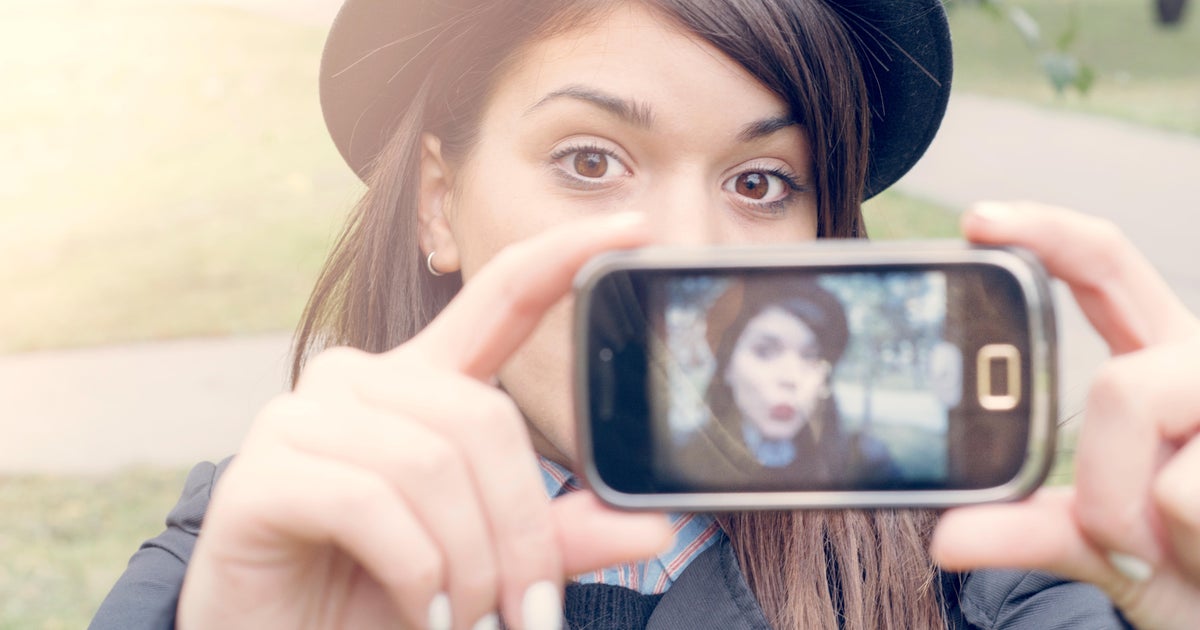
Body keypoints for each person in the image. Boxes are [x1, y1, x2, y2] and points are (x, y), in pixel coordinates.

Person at [90, 0, 1200, 628]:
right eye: (590, 159)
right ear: (440, 201)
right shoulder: (256, 550)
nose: (689, 253)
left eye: (763, 182)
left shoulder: (988, 574)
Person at [675, 276, 902, 489]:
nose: (790, 379)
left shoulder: (868, 466)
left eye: (810, 356)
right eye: (764, 351)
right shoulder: (680, 463)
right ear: (727, 366)